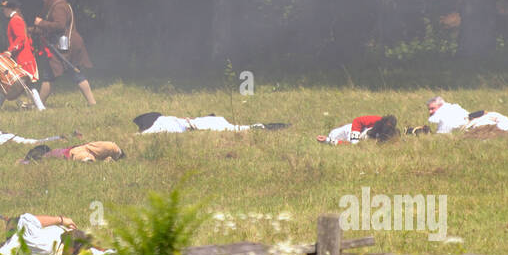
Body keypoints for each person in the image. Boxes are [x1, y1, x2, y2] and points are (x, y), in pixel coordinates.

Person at [33, 0, 96, 106]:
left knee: (53, 75)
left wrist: (41, 23)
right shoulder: (59, 4)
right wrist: (30, 30)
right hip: (67, 44)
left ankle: (39, 105)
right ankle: (92, 102)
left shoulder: (59, 7)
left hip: (66, 45)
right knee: (69, 73)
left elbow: (59, 26)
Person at [0, 0, 46, 113]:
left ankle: (41, 108)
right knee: (8, 83)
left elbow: (20, 38)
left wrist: (10, 50)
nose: (4, 10)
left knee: (22, 84)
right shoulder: (16, 19)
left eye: (5, 8)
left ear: (11, 9)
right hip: (20, 57)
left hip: (22, 58)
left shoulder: (15, 20)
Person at [0, 212, 112, 255]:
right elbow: (26, 219)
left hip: (70, 243)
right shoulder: (23, 237)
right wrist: (61, 220)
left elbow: (26, 220)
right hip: (71, 243)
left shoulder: (19, 239)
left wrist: (61, 221)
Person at [132, 112, 287, 134]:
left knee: (237, 129)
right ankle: (263, 126)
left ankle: (263, 127)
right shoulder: (164, 120)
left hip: (203, 123)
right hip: (203, 121)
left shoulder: (163, 122)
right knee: (238, 128)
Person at [21, 140, 123, 164]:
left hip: (77, 151)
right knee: (110, 146)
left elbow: (26, 161)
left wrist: (24, 160)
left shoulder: (48, 155)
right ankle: (115, 153)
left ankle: (113, 155)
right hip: (79, 150)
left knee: (86, 157)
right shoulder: (48, 155)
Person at [318, 115, 398, 144]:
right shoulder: (377, 119)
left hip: (362, 138)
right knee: (333, 134)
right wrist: (355, 139)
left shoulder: (390, 134)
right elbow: (357, 120)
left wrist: (328, 140)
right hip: (351, 130)